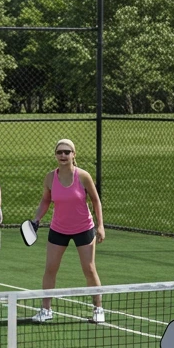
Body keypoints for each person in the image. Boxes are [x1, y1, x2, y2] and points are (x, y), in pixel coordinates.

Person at [28, 139, 106, 324]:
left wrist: (100, 225)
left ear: (73, 155)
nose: (63, 155)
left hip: (83, 228)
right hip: (58, 229)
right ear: (55, 155)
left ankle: (98, 309)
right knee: (50, 269)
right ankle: (46, 310)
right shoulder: (49, 177)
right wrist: (36, 219)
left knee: (89, 269)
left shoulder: (83, 176)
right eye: (59, 152)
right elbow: (46, 201)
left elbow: (96, 201)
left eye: (67, 152)